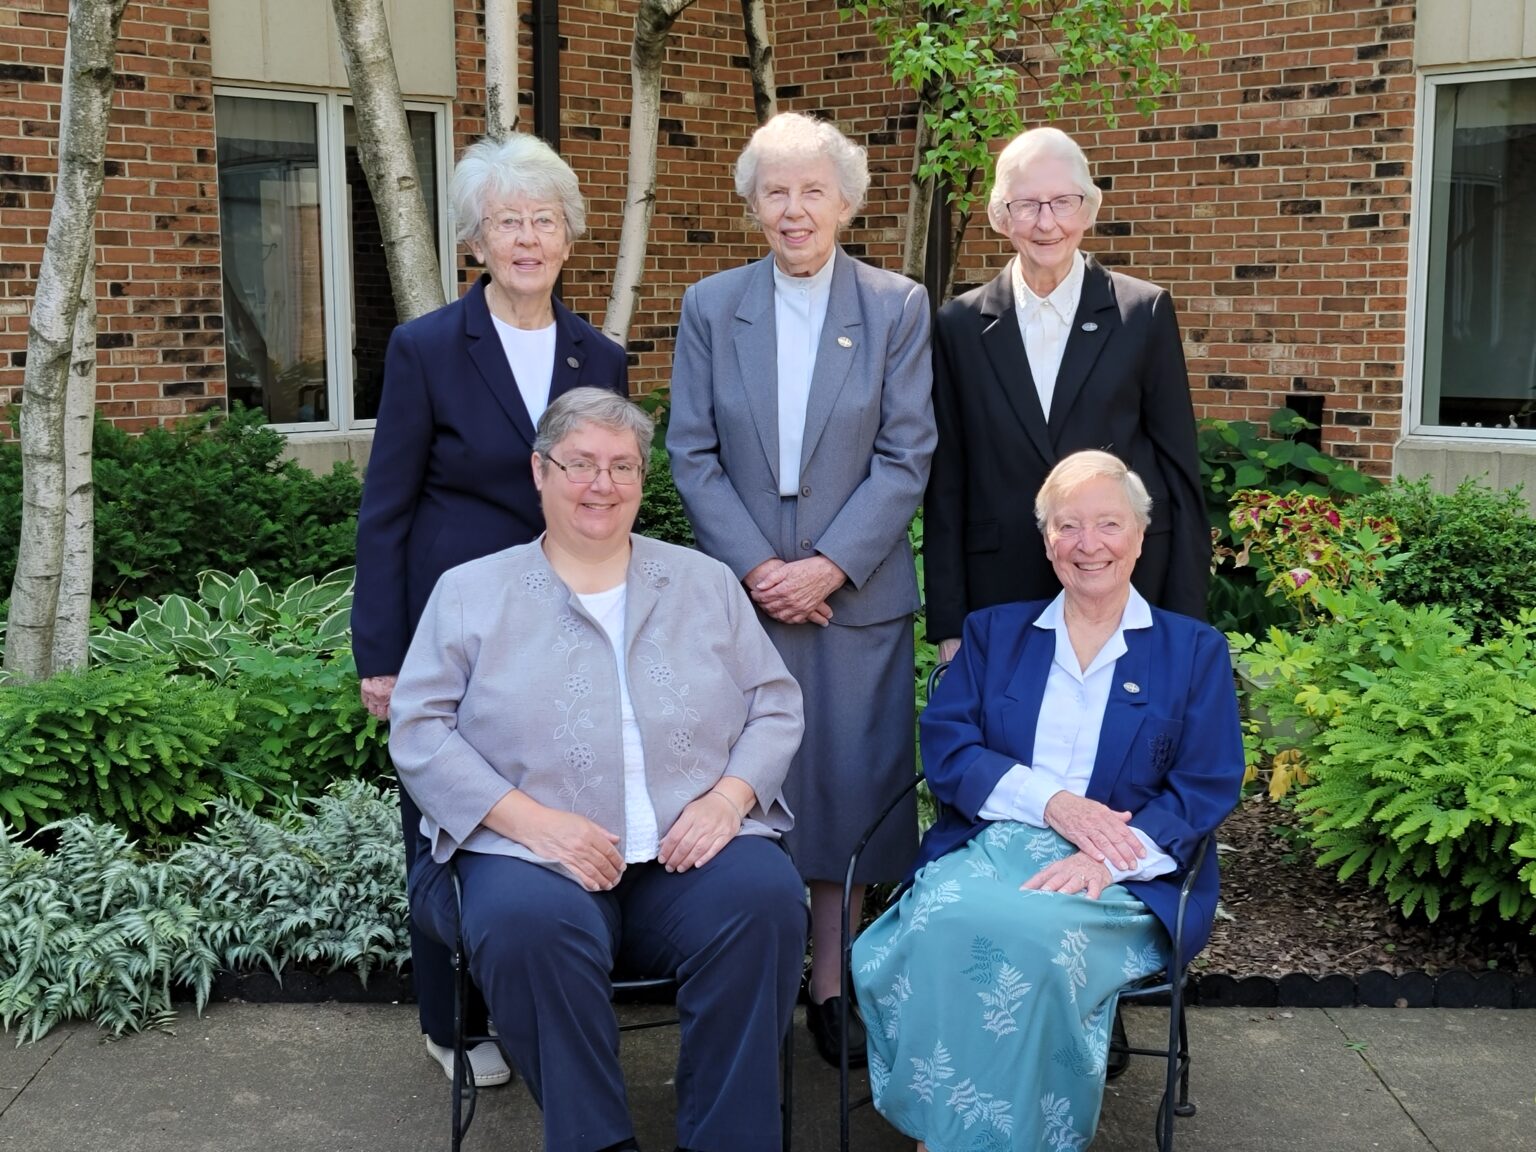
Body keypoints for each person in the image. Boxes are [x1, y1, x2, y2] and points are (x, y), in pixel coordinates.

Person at [392, 388, 808, 1152]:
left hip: (686, 859)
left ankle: (730, 1139)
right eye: (580, 464)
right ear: (539, 472)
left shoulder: (704, 582)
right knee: (525, 926)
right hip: (530, 860)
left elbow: (775, 705)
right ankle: (596, 1141)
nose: (602, 485)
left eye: (622, 467)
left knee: (765, 899)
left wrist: (728, 799)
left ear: (642, 480)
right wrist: (532, 823)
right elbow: (419, 729)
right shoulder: (471, 593)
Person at [853, 450, 1243, 1152]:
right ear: (1046, 541)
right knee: (942, 920)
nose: (1088, 544)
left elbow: (1206, 782)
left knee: (1035, 940)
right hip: (994, 843)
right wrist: (1055, 803)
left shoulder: (1192, 651)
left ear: (1140, 535)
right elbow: (950, 750)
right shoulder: (994, 634)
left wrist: (1107, 858)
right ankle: (946, 1132)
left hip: (1126, 866)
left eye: (1108, 524)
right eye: (1067, 526)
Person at [351, 133, 628, 1087]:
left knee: (555, 803)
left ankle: (547, 999)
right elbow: (386, 508)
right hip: (456, 626)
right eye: (508, 222)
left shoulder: (599, 355)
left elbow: (607, 490)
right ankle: (452, 1024)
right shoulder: (426, 347)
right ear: (476, 240)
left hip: (570, 620)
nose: (527, 239)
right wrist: (381, 654)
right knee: (446, 815)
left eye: (544, 221)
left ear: (569, 237)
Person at [667, 111, 936, 1067]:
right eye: (774, 192)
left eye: (812, 191)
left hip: (854, 593)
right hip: (740, 595)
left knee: (843, 787)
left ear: (846, 203)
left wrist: (827, 564)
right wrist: (758, 569)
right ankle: (752, 970)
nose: (794, 210)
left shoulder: (896, 306)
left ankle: (831, 982)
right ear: (752, 205)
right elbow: (691, 452)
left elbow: (907, 453)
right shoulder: (711, 306)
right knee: (744, 780)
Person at [924, 125, 1208, 670]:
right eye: (1027, 205)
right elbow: (947, 482)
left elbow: (1180, 474)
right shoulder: (958, 325)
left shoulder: (1141, 313)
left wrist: (1186, 618)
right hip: (1000, 589)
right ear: (1001, 216)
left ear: (1088, 209)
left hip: (1125, 584)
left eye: (1062, 202)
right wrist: (950, 623)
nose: (1046, 221)